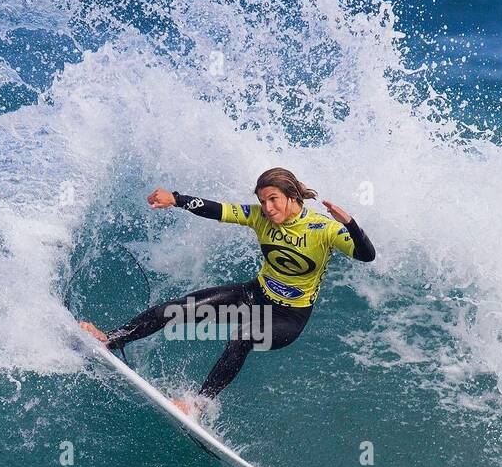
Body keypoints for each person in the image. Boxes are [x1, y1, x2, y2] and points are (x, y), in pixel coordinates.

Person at [80, 167, 376, 415]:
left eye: (274, 199)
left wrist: (350, 224)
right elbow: (218, 210)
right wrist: (175, 199)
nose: (268, 208)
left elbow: (367, 255)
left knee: (243, 338)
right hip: (252, 296)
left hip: (289, 317)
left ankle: (198, 404)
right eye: (263, 200)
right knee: (175, 310)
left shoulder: (323, 229)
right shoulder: (259, 216)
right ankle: (111, 339)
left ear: (292, 195)